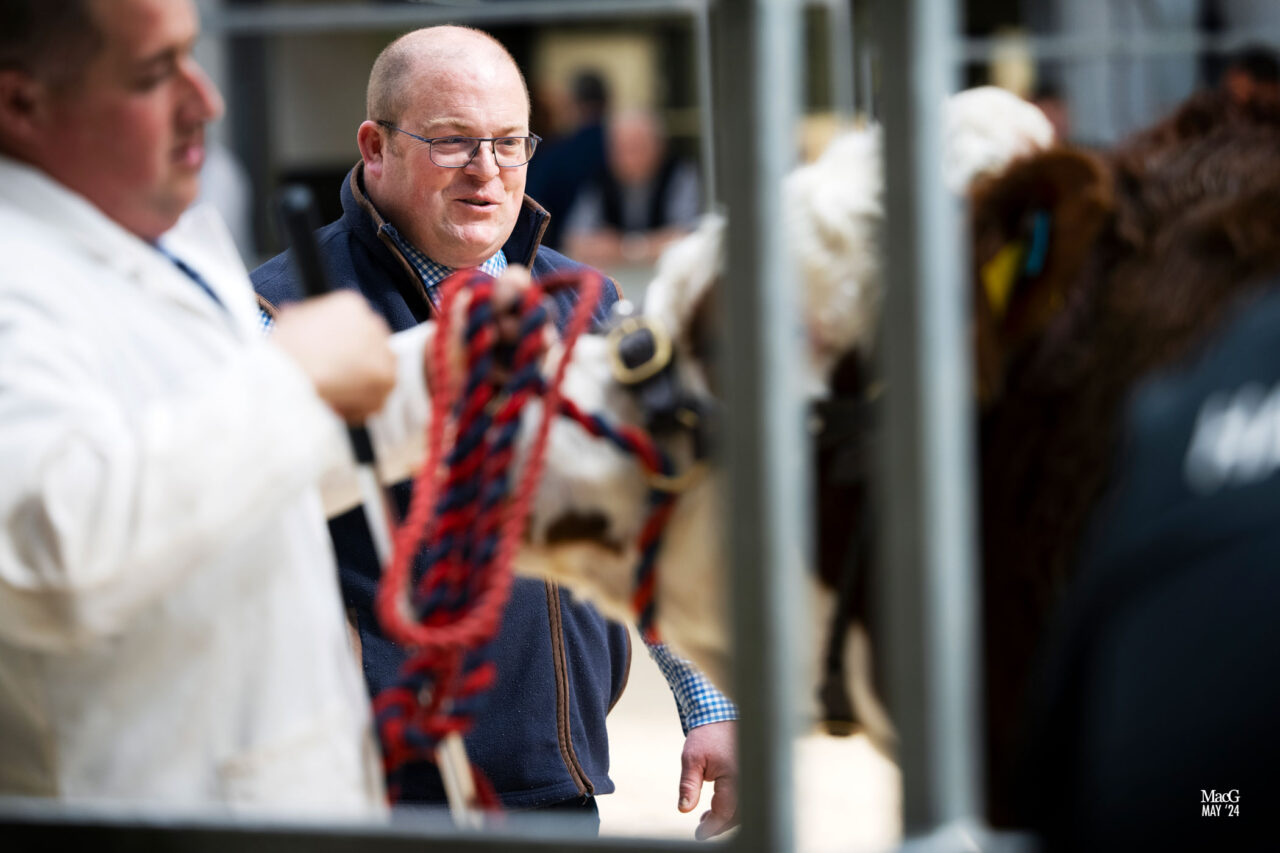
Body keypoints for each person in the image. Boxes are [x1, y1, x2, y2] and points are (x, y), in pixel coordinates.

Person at [251, 26, 740, 839]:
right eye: (452, 142)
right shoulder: (278, 314)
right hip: (360, 791)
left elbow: (639, 519)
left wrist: (711, 703)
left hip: (553, 778)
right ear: (375, 147)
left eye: (509, 142)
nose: (488, 170)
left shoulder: (585, 300)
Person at [0, 0, 433, 817]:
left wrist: (444, 373)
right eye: (153, 74)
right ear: (22, 103)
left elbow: (240, 480)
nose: (206, 100)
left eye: (192, 58)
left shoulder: (158, 237)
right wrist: (292, 380)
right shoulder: (16, 278)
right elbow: (54, 546)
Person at [563, 108, 702, 271]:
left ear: (659, 146)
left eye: (637, 146)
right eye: (620, 148)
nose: (627, 157)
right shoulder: (598, 182)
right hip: (618, 284)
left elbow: (689, 239)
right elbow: (574, 240)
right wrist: (653, 245)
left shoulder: (680, 176)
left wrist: (625, 248)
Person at [524, 69, 610, 251]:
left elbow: (531, 198)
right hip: (611, 246)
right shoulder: (618, 145)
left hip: (559, 247)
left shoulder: (558, 152)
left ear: (574, 104)